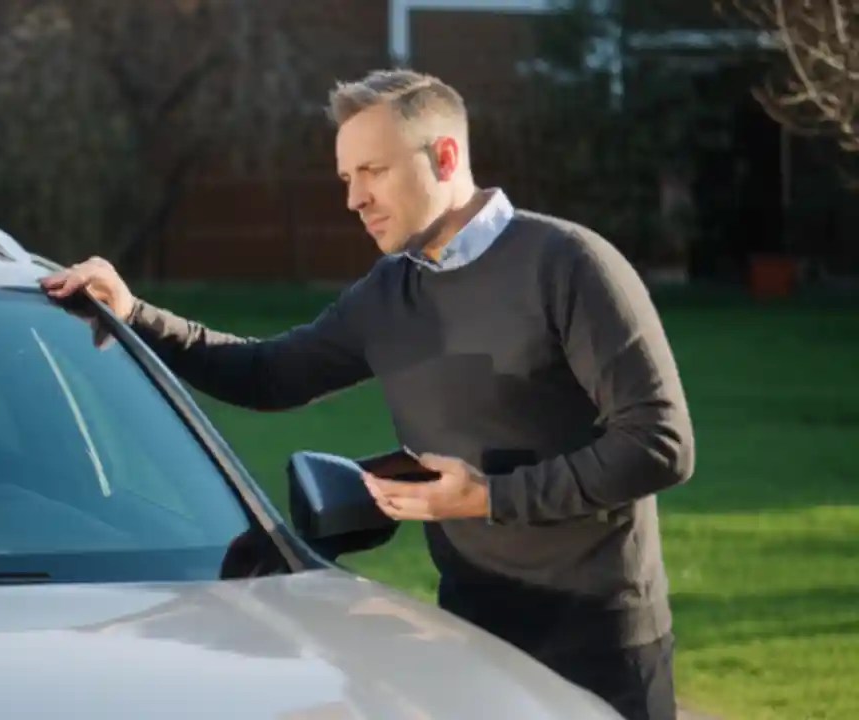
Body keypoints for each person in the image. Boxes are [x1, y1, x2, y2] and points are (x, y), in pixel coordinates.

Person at [41, 68, 694, 720]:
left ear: (445, 155)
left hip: (601, 644)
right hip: (471, 639)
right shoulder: (389, 296)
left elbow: (661, 443)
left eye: (373, 171)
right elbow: (269, 374)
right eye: (347, 178)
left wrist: (489, 498)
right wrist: (137, 314)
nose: (354, 199)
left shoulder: (569, 264)